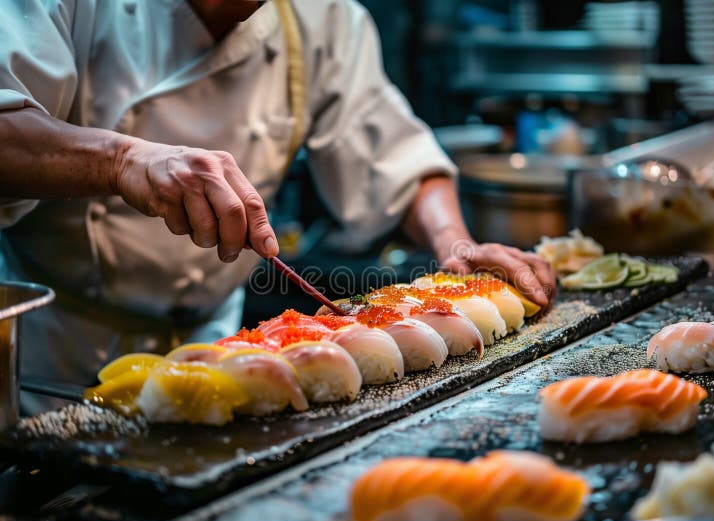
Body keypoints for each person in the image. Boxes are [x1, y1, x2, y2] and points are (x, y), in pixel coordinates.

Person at [0, 0, 556, 414]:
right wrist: (123, 160)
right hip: (50, 354)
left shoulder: (321, 17)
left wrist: (457, 246)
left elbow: (395, 159)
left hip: (222, 350)